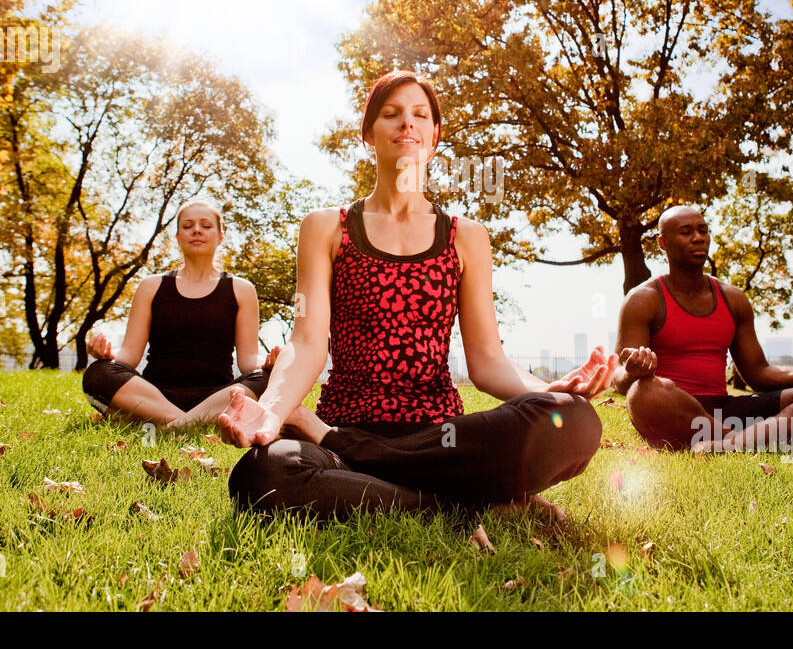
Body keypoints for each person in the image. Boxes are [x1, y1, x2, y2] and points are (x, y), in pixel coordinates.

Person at [216, 71, 615, 517]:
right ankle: (460, 508)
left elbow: (487, 360)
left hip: (440, 439)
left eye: (419, 115)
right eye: (392, 114)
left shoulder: (467, 236)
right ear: (369, 134)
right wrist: (271, 409)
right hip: (346, 424)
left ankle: (378, 477)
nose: (407, 124)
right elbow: (307, 342)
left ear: (435, 135)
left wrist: (547, 390)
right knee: (263, 475)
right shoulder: (327, 227)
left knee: (574, 420)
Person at [612, 205, 793, 453]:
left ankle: (731, 443)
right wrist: (633, 371)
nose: (698, 238)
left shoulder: (733, 298)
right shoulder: (642, 299)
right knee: (643, 393)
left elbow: (759, 374)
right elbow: (618, 379)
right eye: (686, 232)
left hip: (727, 411)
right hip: (674, 410)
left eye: (703, 230)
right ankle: (747, 440)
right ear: (663, 243)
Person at [81, 200, 278, 427]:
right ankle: (190, 422)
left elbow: (248, 360)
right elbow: (129, 355)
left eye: (205, 225)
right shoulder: (151, 286)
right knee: (97, 373)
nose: (196, 230)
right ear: (177, 237)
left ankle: (173, 424)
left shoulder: (242, 289)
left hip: (215, 397)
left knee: (273, 379)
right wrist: (102, 352)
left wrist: (274, 362)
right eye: (187, 226)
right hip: (155, 396)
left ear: (220, 237)